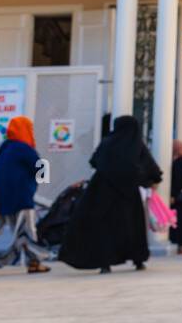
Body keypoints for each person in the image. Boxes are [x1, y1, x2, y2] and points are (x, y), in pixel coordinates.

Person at [59, 115, 162, 273]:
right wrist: (148, 179)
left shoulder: (108, 142)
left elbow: (94, 161)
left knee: (105, 228)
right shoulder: (135, 145)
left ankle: (104, 263)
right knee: (131, 227)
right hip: (128, 194)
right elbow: (150, 168)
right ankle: (138, 260)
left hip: (102, 192)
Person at [0, 116, 50, 274]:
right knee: (27, 230)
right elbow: (41, 168)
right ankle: (34, 263)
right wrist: (39, 183)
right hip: (21, 196)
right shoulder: (25, 148)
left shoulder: (3, 147)